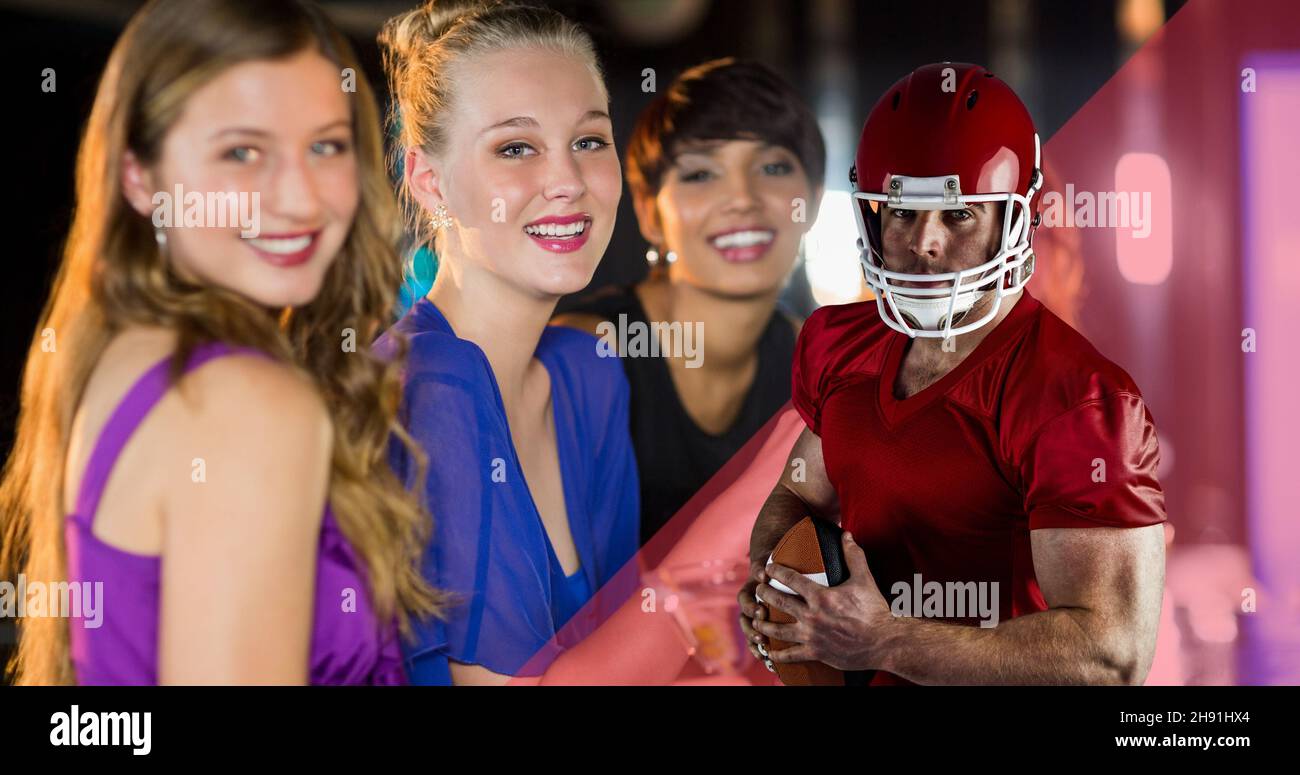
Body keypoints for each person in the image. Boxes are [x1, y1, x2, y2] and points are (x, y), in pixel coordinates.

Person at [0, 0, 442, 685]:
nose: (300, 198)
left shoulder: (121, 349)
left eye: (326, 145)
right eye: (242, 151)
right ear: (139, 178)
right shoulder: (246, 402)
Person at [740, 63, 1168, 685]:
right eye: (901, 214)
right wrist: (772, 579)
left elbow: (1110, 653)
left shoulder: (1078, 399)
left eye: (958, 215)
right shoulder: (838, 343)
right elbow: (800, 495)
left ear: (1013, 220)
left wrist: (884, 641)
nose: (924, 243)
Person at [374, 0, 641, 685]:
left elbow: (630, 645)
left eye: (589, 140)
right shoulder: (428, 383)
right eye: (515, 148)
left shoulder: (590, 373)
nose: (568, 183)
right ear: (430, 182)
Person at [556, 58, 825, 545]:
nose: (743, 198)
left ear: (814, 199)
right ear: (649, 213)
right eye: (701, 174)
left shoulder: (818, 364)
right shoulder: (582, 355)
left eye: (772, 167)